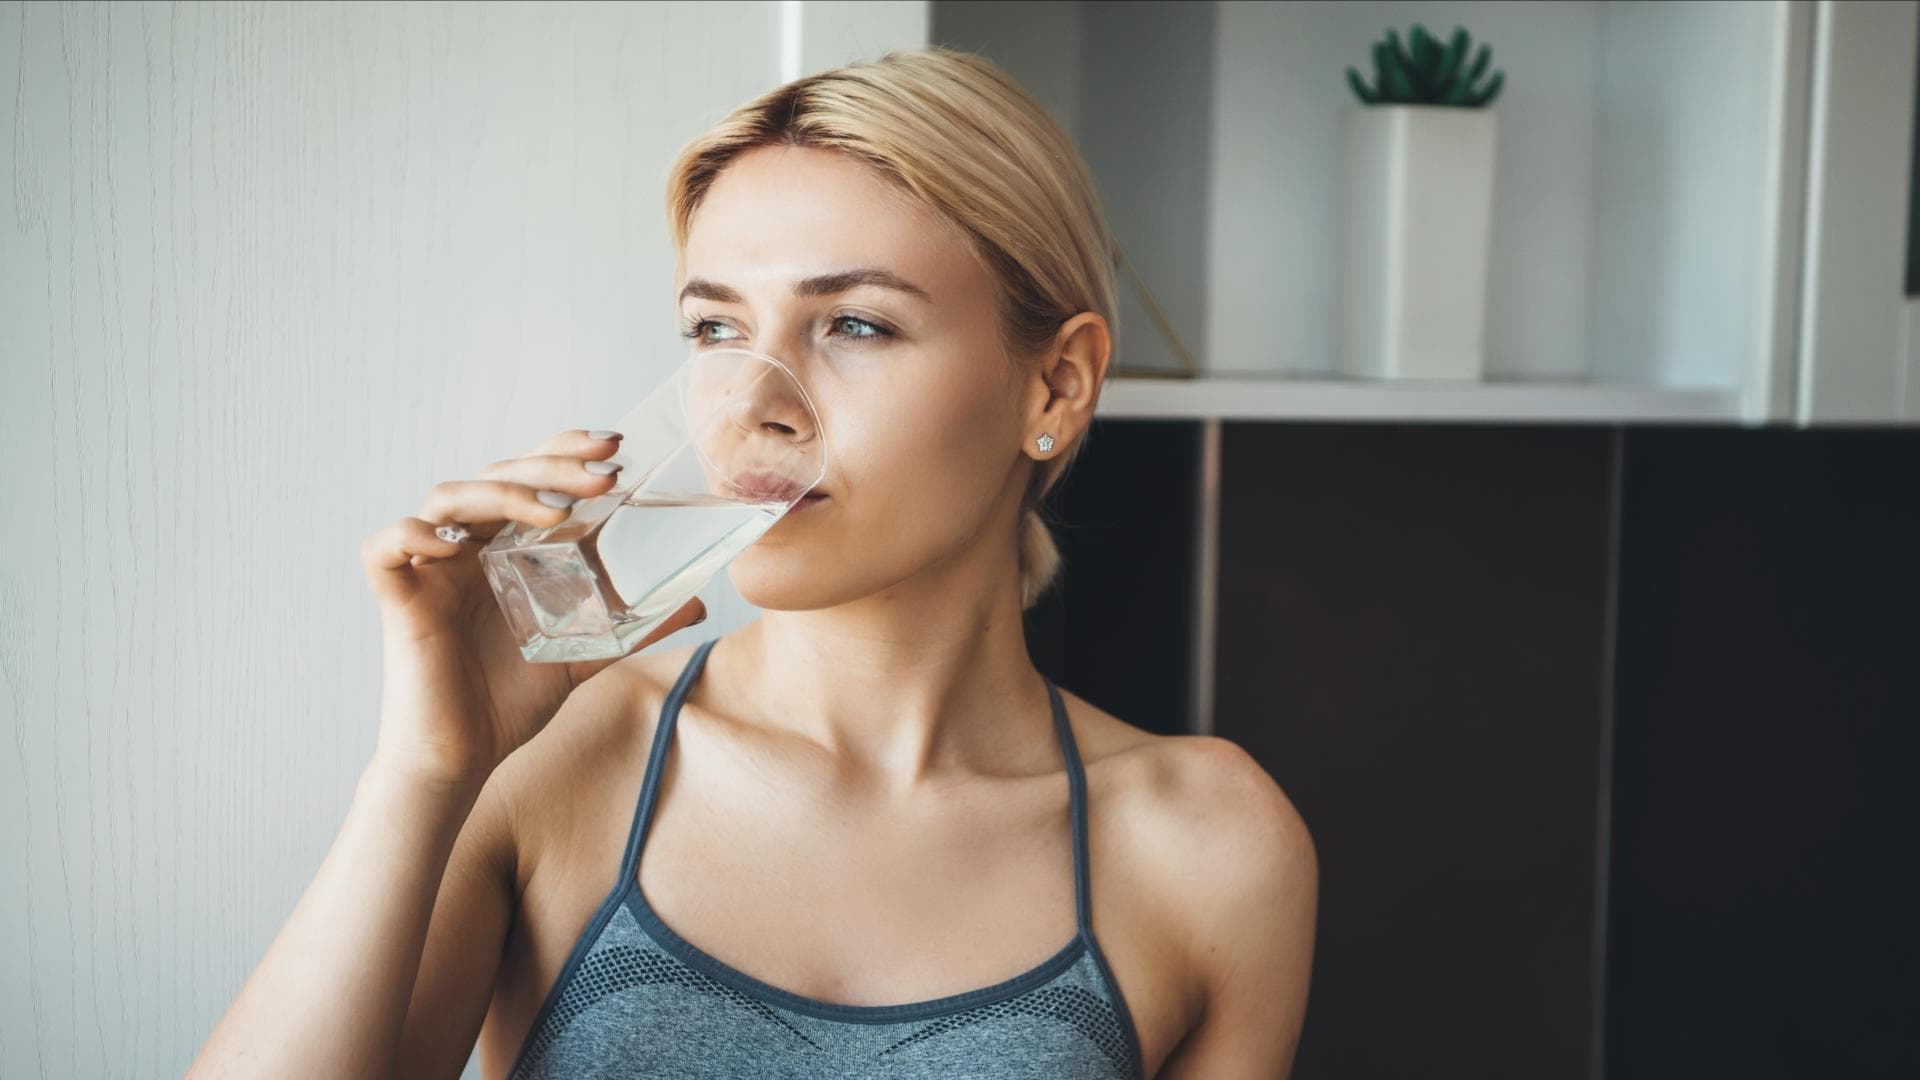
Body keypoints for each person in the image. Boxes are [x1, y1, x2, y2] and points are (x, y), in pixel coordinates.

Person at [191, 46, 1316, 1080]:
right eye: (716, 332)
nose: (750, 409)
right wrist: (426, 772)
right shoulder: (550, 763)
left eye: (856, 325)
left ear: (1056, 387)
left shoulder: (1208, 846)